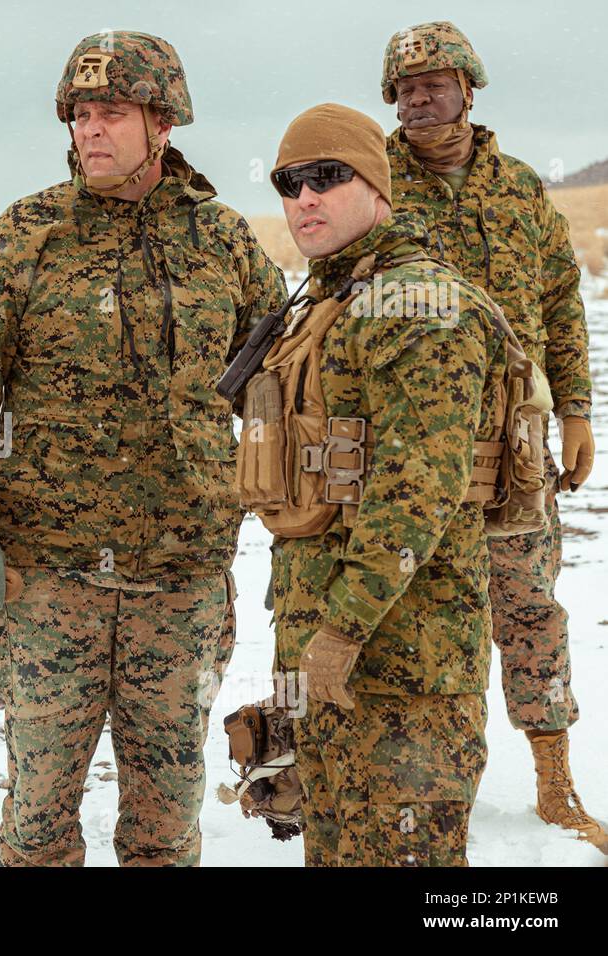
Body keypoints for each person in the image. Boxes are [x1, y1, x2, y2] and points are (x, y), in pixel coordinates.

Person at [0, 30, 286, 866]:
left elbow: (281, 384)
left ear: (163, 123)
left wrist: (293, 522)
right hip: (49, 581)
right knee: (39, 816)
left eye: (112, 113)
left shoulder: (222, 241)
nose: (90, 129)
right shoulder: (28, 234)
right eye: (80, 113)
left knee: (167, 821)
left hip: (183, 581)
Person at [258, 103, 508, 865]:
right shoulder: (333, 300)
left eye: (328, 177)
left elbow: (418, 488)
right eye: (289, 183)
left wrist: (343, 630)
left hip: (404, 668)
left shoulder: (416, 304)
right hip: (328, 656)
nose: (305, 198)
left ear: (377, 186)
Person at [382, 20, 601, 848]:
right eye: (405, 89)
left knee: (530, 610)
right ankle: (427, 799)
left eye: (433, 85)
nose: (418, 99)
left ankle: (556, 786)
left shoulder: (520, 190)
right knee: (422, 625)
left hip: (515, 451)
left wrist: (575, 411)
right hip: (409, 454)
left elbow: (560, 302)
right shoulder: (372, 186)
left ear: (468, 90)